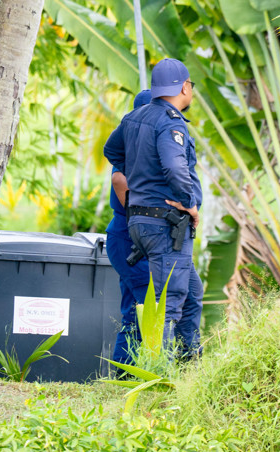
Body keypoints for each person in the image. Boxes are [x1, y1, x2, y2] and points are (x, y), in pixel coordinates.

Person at [104, 58, 203, 361]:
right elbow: (175, 167)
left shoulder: (134, 119)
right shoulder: (169, 122)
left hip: (145, 224)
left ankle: (189, 366)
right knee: (166, 304)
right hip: (164, 224)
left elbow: (111, 150)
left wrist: (138, 174)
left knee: (190, 294)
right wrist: (189, 203)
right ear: (184, 86)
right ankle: (159, 375)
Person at [106, 89, 152, 366]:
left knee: (133, 311)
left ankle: (125, 372)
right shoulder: (126, 152)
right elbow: (120, 183)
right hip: (128, 239)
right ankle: (130, 373)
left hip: (134, 241)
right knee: (146, 302)